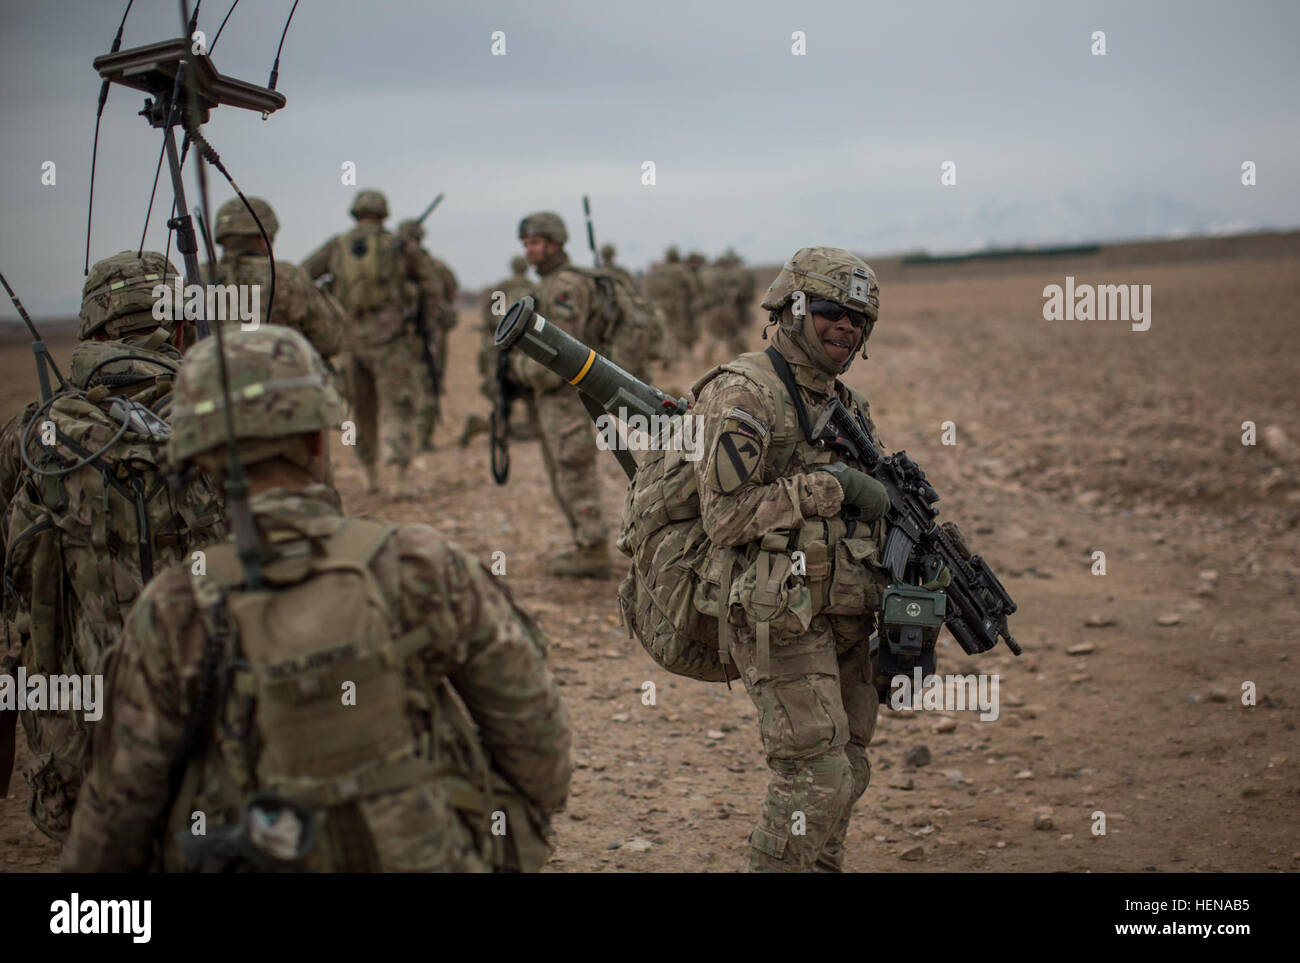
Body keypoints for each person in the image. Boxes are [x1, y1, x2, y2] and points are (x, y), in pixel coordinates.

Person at [60, 325, 572, 872]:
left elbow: (116, 815)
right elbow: (537, 746)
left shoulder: (172, 606)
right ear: (315, 440)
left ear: (200, 461)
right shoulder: (421, 563)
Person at [0, 251, 225, 841]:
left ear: (94, 332)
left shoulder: (33, 436)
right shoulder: (231, 417)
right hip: (225, 746)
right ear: (179, 325)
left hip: (90, 768)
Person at [690, 246, 889, 872]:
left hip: (846, 608)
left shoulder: (845, 405)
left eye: (859, 320)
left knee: (849, 764)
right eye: (832, 311)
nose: (846, 329)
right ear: (794, 308)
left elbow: (875, 505)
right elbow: (725, 517)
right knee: (816, 772)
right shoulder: (745, 393)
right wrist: (831, 487)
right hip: (777, 610)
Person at [301, 190, 442, 492]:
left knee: (361, 410)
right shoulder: (398, 245)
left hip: (351, 340)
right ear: (384, 214)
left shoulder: (338, 246)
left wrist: (328, 314)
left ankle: (370, 475)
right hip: (391, 339)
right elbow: (432, 283)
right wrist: (424, 323)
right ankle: (400, 478)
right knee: (397, 405)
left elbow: (303, 276)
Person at [514, 211, 610, 578]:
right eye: (526, 245)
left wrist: (521, 371)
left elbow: (561, 355)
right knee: (563, 469)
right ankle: (584, 543)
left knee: (573, 468)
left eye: (535, 243)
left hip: (567, 394)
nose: (530, 251)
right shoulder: (553, 282)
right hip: (561, 396)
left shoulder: (563, 285)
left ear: (555, 243)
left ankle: (593, 547)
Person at [204, 196, 344, 361]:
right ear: (262, 238)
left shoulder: (197, 277)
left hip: (209, 381)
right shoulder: (286, 275)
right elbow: (329, 341)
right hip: (277, 380)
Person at [396, 218, 459, 452]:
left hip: (410, 334)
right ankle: (421, 438)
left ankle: (414, 437)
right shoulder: (435, 266)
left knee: (415, 383)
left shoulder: (395, 266)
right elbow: (451, 291)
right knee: (429, 382)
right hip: (429, 334)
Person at [460, 255, 536, 448]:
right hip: (524, 350)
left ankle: (490, 426)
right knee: (529, 397)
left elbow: (491, 317)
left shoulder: (501, 288)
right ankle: (489, 427)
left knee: (503, 395)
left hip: (501, 349)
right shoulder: (534, 288)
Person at [646, 245, 697, 362]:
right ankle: (674, 359)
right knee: (678, 332)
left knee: (666, 332)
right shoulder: (681, 271)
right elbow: (692, 288)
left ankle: (667, 357)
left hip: (661, 306)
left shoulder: (660, 271)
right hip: (677, 306)